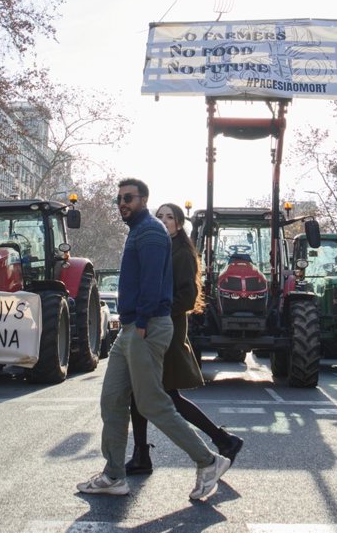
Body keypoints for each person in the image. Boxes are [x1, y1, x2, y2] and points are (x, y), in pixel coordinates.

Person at [76, 178, 231, 500]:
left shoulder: (148, 232)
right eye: (119, 199)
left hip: (145, 327)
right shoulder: (139, 231)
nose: (122, 203)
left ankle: (208, 461)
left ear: (143, 200)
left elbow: (151, 281)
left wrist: (143, 322)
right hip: (132, 328)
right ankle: (113, 475)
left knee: (151, 403)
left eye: (128, 198)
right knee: (112, 400)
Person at [126, 202, 243, 475]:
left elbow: (188, 298)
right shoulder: (160, 249)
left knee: (164, 394)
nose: (164, 220)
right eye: (159, 216)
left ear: (179, 224)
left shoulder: (182, 254)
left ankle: (222, 440)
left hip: (167, 328)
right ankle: (142, 454)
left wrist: (155, 314)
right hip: (156, 326)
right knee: (144, 392)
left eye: (170, 217)